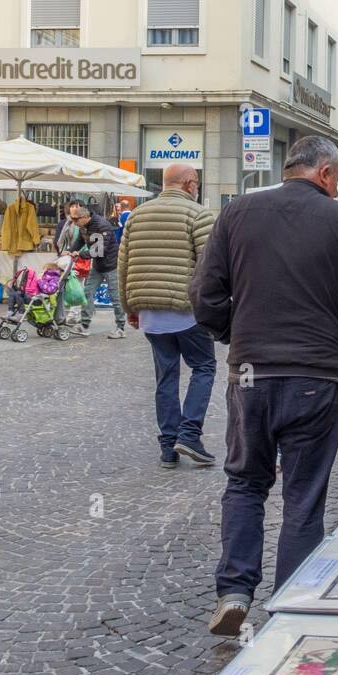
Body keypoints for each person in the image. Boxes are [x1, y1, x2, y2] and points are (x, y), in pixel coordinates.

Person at [190, 135, 338, 636]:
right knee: (304, 494)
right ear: (324, 173)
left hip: (251, 371)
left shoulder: (236, 213)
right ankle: (290, 601)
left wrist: (234, 334)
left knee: (245, 482)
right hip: (316, 376)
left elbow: (205, 292)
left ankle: (235, 590)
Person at [119, 163, 218, 468]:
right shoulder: (198, 215)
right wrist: (215, 310)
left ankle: (167, 447)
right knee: (204, 366)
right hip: (185, 310)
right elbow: (209, 267)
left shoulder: (137, 215)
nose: (197, 187)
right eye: (196, 182)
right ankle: (189, 433)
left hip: (149, 310)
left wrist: (129, 309)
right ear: (189, 183)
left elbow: (123, 265)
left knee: (166, 376)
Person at [68, 204, 126, 339]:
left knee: (116, 298)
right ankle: (84, 325)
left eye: (76, 220)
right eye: (73, 220)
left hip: (111, 265)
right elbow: (79, 242)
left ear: (85, 217)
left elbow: (99, 250)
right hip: (98, 266)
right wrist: (70, 251)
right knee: (87, 293)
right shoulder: (84, 226)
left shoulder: (102, 226)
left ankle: (121, 327)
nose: (75, 223)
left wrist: (80, 255)